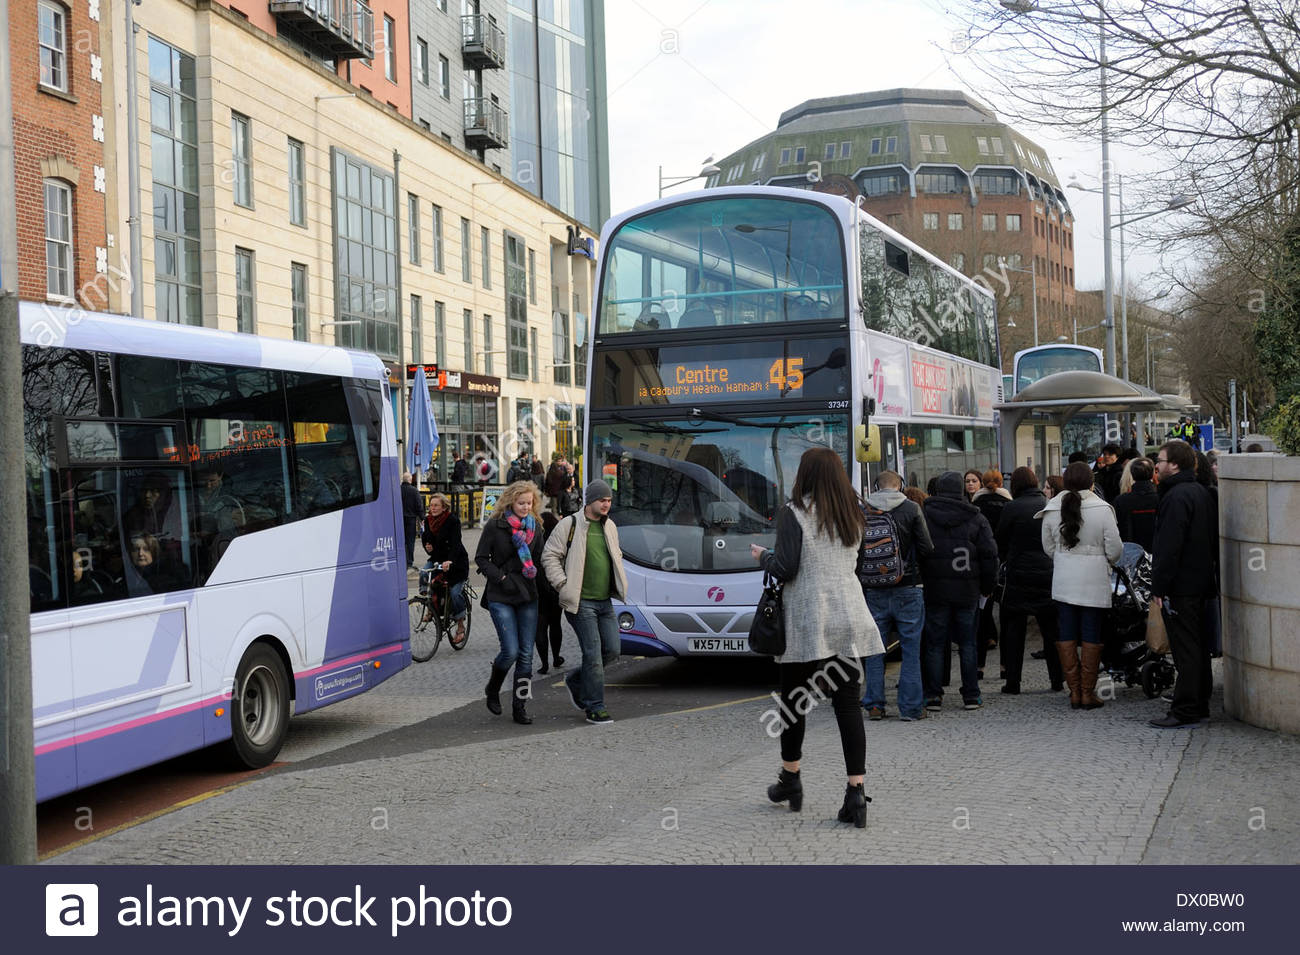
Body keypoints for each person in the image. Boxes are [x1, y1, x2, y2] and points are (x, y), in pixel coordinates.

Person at [751, 448, 884, 829]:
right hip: (848, 611)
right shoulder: (853, 513)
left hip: (807, 616)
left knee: (794, 700)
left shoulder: (792, 513)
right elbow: (854, 564)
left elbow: (786, 568)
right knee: (847, 704)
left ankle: (790, 780)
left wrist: (763, 556)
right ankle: (855, 792)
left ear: (805, 474)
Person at [541, 479, 630, 725]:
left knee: (612, 650)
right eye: (602, 500)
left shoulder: (610, 526)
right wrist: (562, 584)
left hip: (605, 601)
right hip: (581, 603)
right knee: (593, 655)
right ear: (590, 501)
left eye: (609, 500)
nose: (606, 504)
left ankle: (576, 681)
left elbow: (615, 556)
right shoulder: (570, 524)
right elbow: (549, 555)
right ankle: (595, 707)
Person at [1040, 462, 1122, 710]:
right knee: (1091, 633)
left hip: (1064, 580)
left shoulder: (1052, 508)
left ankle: (1074, 691)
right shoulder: (1103, 509)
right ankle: (1088, 692)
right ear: (1091, 482)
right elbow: (1115, 549)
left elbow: (1048, 547)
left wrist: (1065, 559)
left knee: (1066, 634)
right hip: (1094, 580)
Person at [1149, 442, 1217, 727]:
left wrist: (1159, 587)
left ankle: (1185, 708)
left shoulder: (1176, 497)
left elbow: (1168, 546)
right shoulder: (1201, 493)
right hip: (1201, 582)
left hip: (1182, 586)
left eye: (1161, 461)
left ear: (1174, 464)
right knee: (1198, 647)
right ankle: (1199, 703)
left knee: (1185, 649)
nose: (1157, 466)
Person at [920, 471, 998, 712]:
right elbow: (989, 555)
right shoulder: (976, 517)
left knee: (934, 643)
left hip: (934, 590)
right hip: (967, 589)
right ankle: (971, 695)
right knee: (968, 643)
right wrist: (987, 587)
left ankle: (933, 695)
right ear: (961, 490)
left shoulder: (925, 516)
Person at [859, 470, 933, 722]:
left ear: (877, 487)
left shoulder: (864, 510)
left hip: (873, 588)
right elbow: (926, 547)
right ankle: (911, 708)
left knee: (874, 649)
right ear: (899, 485)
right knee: (911, 649)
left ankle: (875, 705)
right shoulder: (911, 508)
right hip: (908, 587)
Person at [475, 481, 544, 725]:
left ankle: (520, 706)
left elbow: (539, 562)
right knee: (511, 651)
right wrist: (501, 577)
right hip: (501, 594)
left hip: (527, 595)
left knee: (526, 655)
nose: (525, 507)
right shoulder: (496, 525)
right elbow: (481, 559)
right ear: (510, 502)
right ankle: (493, 688)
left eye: (529, 503)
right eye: (521, 503)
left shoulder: (536, 527)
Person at [995, 467, 1064, 694]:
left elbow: (1001, 541)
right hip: (1048, 573)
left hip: (1018, 575)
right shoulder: (1049, 506)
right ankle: (1057, 680)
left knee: (1014, 631)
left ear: (1015, 485)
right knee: (1051, 630)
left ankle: (1013, 682)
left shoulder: (1011, 508)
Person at [971, 469, 1012, 671]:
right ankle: (1005, 667)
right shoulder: (1009, 504)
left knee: (982, 618)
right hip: (1005, 567)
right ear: (1001, 483)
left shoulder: (975, 506)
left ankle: (979, 667)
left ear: (982, 483)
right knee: (1006, 618)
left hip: (982, 568)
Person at [421, 493, 470, 645]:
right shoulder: (427, 520)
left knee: (455, 593)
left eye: (436, 505)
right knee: (424, 573)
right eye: (431, 505)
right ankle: (430, 604)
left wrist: (450, 560)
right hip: (437, 559)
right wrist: (427, 547)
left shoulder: (452, 520)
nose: (433, 508)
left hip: (456, 562)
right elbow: (425, 539)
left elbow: (456, 543)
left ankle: (460, 626)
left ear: (444, 507)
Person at [534, 511, 565, 675]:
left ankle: (544, 663)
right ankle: (556, 657)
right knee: (555, 624)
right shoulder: (557, 542)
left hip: (537, 588)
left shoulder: (534, 540)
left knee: (540, 627)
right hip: (554, 587)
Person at [1113, 458, 1159, 552]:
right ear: (1152, 474)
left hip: (1130, 553)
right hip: (1157, 551)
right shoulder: (1161, 498)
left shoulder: (1121, 501)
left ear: (1132, 475)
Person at [400, 471, 423, 570]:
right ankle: (409, 562)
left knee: (401, 541)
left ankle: (401, 561)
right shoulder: (414, 491)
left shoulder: (397, 490)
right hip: (411, 519)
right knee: (410, 541)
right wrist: (422, 518)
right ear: (410, 480)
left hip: (399, 519)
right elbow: (419, 505)